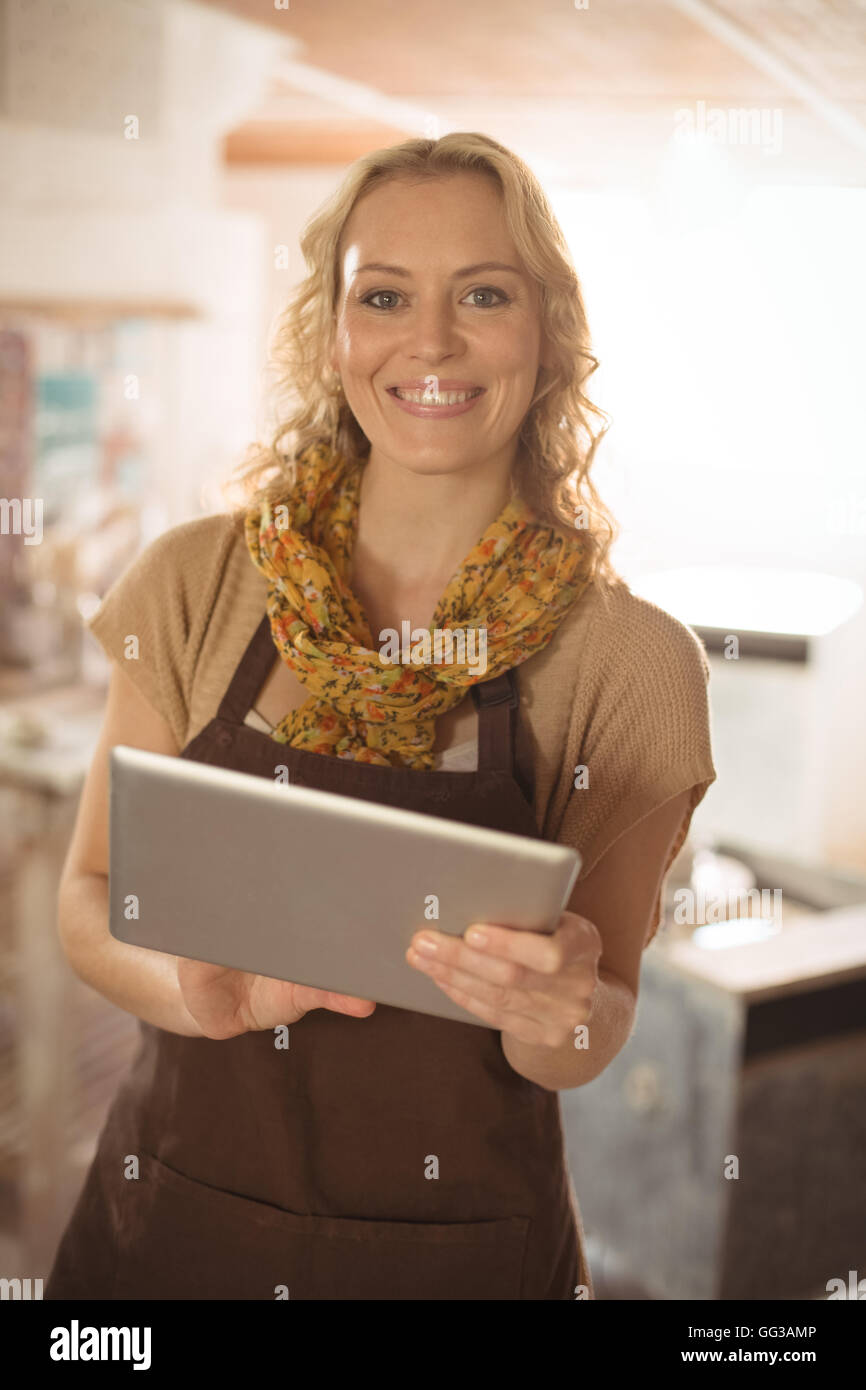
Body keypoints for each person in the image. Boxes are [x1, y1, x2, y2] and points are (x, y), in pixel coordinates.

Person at [46, 132, 715, 1301]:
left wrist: (560, 1005)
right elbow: (90, 899)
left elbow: (586, 1033)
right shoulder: (194, 584)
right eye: (385, 296)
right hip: (169, 1245)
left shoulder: (629, 664)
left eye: (484, 295)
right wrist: (211, 993)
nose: (431, 343)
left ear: (547, 331)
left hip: (461, 1262)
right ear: (334, 329)